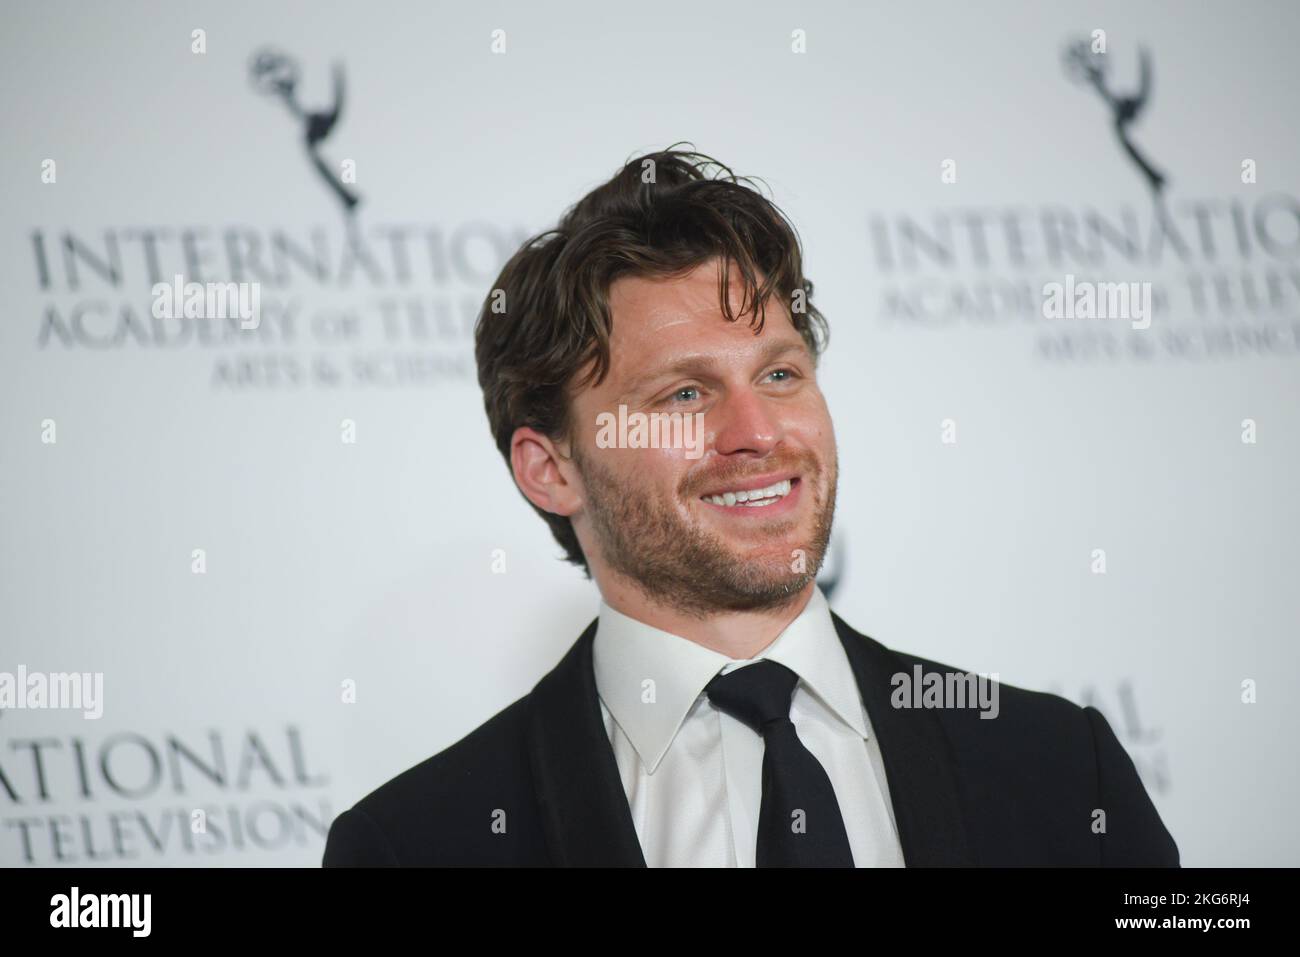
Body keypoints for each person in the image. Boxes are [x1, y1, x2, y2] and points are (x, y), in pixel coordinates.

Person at [322, 147, 1179, 867]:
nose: (757, 432)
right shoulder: (416, 845)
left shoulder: (1062, 771)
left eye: (779, 373)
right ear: (551, 468)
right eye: (686, 392)